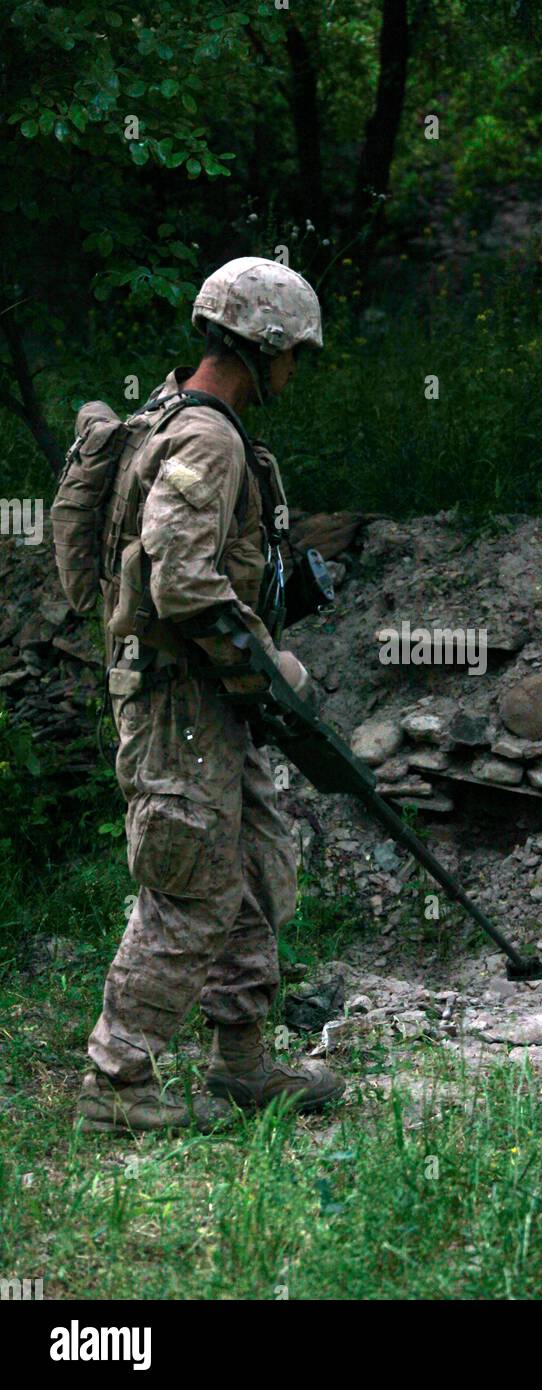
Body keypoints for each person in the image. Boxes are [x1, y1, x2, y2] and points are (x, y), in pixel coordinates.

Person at [77, 257, 345, 1132]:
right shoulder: (208, 439)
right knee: (189, 885)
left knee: (254, 870)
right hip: (180, 706)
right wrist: (275, 672)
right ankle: (117, 1084)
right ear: (262, 344)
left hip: (214, 705)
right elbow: (184, 586)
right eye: (293, 353)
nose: (295, 372)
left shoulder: (179, 418)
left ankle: (241, 1060)